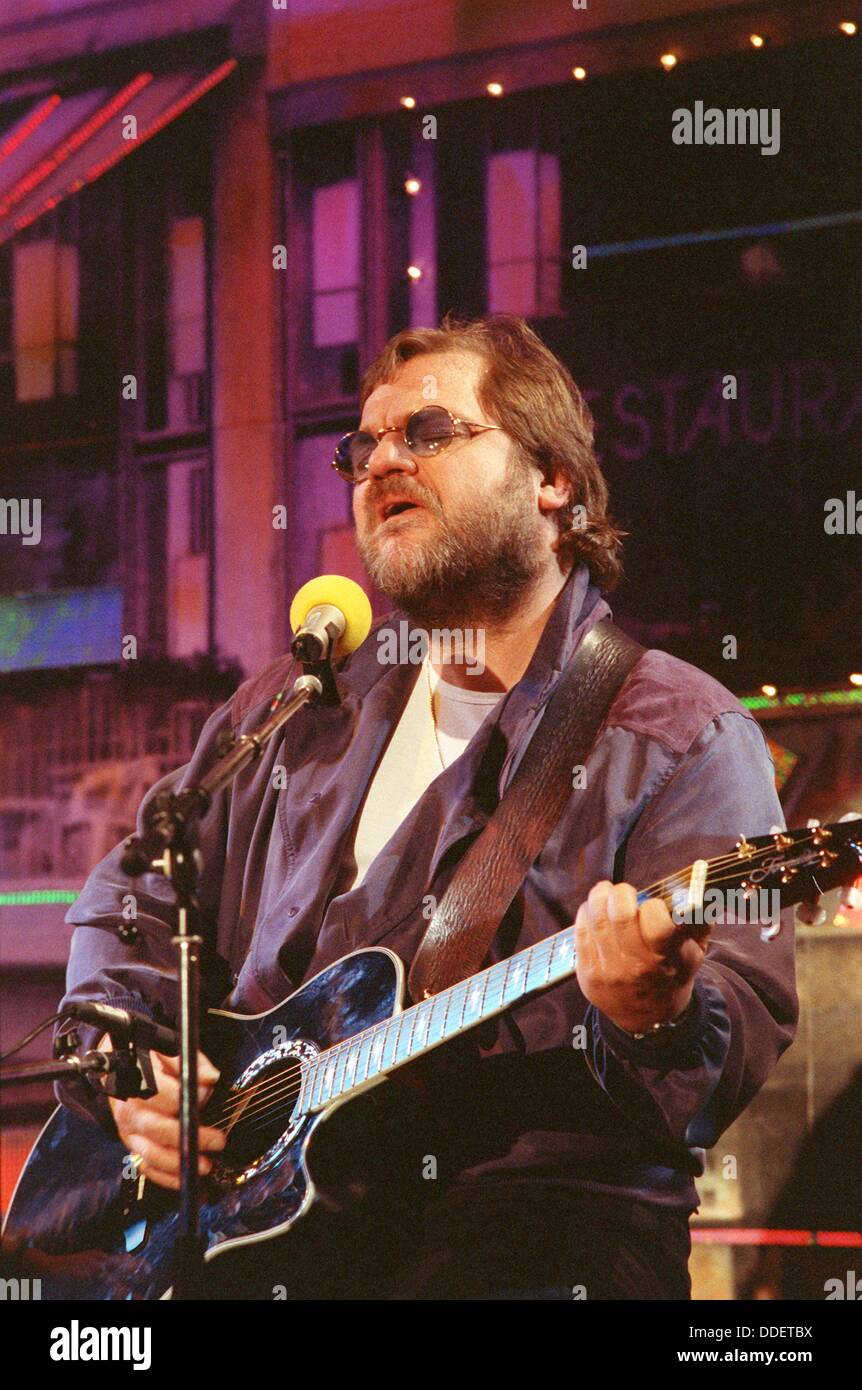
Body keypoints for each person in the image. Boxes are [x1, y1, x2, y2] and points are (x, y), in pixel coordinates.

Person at [57, 314, 796, 1299]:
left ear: (553, 482)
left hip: (533, 1242)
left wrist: (652, 1014)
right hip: (259, 1243)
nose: (381, 463)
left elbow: (727, 1038)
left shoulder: (678, 730)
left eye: (429, 433)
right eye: (362, 446)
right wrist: (129, 1066)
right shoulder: (295, 710)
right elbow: (132, 902)